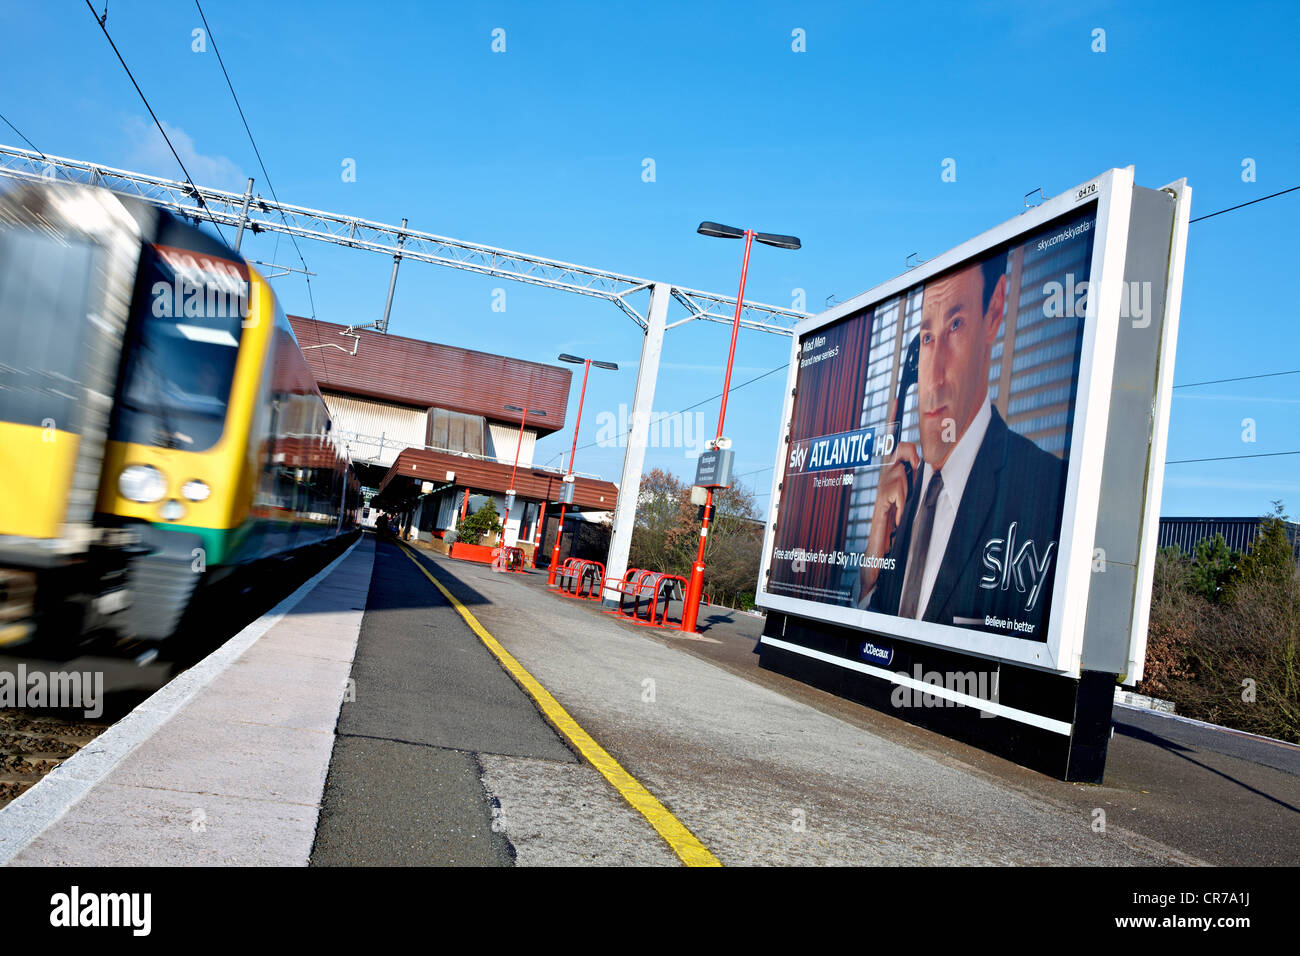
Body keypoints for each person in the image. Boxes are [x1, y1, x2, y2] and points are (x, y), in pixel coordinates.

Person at [856, 252, 1065, 639]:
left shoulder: (1047, 489)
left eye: (956, 325)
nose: (932, 380)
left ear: (995, 311)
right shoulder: (902, 492)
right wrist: (872, 571)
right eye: (927, 338)